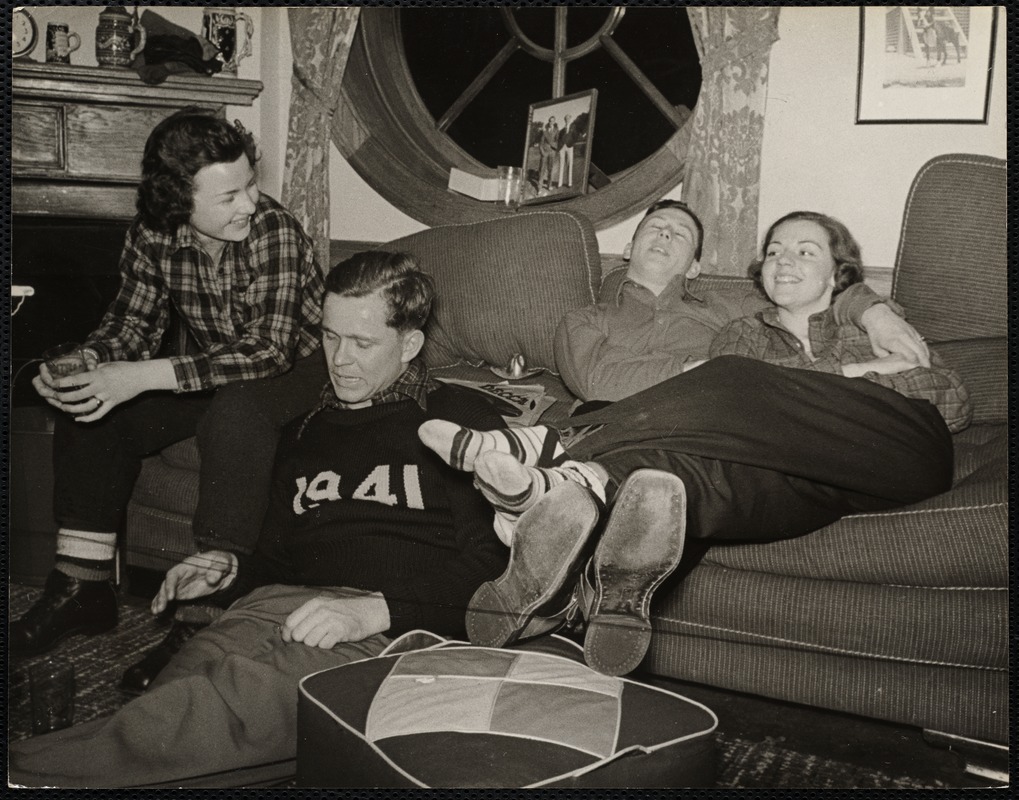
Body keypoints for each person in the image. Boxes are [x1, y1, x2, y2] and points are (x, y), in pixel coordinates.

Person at [9, 251, 507, 788]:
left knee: (201, 723)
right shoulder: (301, 430)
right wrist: (226, 570)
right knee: (173, 704)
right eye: (330, 337)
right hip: (271, 608)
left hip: (384, 628)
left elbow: (497, 567)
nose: (339, 360)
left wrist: (375, 611)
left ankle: (26, 774)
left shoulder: (460, 421)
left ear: (409, 344)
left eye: (362, 344)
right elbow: (275, 559)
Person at [418, 210, 970, 676]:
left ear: (838, 273)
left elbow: (950, 401)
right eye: (774, 251)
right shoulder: (741, 331)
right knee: (674, 480)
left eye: (805, 252)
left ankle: (549, 451)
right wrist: (868, 371)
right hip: (799, 479)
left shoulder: (870, 323)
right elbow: (700, 404)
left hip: (899, 454)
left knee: (732, 377)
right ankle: (590, 591)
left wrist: (863, 314)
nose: (783, 260)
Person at [11, 108, 333, 690]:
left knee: (237, 410)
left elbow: (267, 352)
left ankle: (202, 612)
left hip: (304, 371)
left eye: (250, 184)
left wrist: (140, 376)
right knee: (96, 402)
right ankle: (82, 585)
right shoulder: (151, 234)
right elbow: (131, 323)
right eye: (229, 195)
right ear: (178, 202)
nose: (250, 203)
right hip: (218, 368)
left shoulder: (274, 231)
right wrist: (92, 363)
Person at [555, 199, 930, 404]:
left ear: (694, 268)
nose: (666, 234)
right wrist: (708, 370)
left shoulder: (732, 306)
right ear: (627, 248)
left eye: (681, 234)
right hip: (620, 422)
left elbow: (811, 294)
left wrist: (875, 311)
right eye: (655, 228)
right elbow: (596, 382)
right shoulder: (584, 320)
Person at [538, 116, 559, 193]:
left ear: (554, 122)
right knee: (542, 169)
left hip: (552, 152)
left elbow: (557, 142)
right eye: (550, 121)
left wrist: (553, 146)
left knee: (550, 169)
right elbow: (541, 143)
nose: (551, 122)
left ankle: (549, 185)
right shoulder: (544, 131)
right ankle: (539, 188)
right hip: (545, 152)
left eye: (552, 121)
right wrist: (542, 152)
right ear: (548, 122)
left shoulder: (556, 130)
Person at [557, 114, 576, 189]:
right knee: (561, 164)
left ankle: (569, 183)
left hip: (569, 147)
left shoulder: (573, 128)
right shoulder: (562, 130)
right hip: (562, 147)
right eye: (566, 119)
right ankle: (560, 183)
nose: (567, 120)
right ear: (564, 120)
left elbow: (575, 137)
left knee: (569, 164)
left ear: (570, 119)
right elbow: (559, 139)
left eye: (568, 118)